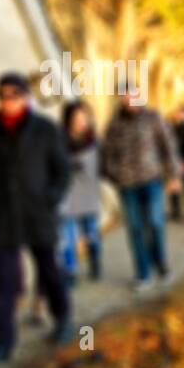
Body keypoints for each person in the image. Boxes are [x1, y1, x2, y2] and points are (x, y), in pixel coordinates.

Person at [0, 72, 73, 363]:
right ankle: (2, 342)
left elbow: (63, 170)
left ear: (26, 97)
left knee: (48, 270)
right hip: (3, 216)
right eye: (3, 96)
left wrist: (50, 199)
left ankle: (63, 317)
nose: (9, 102)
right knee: (3, 280)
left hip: (37, 214)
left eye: (14, 96)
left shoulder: (45, 129)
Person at [100, 93, 182, 291]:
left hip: (152, 180)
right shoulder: (115, 124)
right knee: (135, 228)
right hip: (127, 185)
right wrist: (114, 173)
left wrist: (173, 175)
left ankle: (161, 266)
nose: (130, 101)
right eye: (126, 97)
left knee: (155, 223)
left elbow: (168, 146)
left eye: (134, 96)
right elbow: (107, 152)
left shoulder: (152, 118)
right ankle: (142, 273)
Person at [58, 101, 103, 284]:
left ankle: (95, 258)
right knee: (67, 237)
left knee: (91, 232)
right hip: (67, 193)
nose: (81, 122)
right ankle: (70, 271)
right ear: (68, 119)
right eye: (77, 118)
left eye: (84, 118)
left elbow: (102, 165)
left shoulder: (94, 140)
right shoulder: (59, 140)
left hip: (89, 193)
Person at [167, 108, 184, 221]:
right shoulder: (173, 127)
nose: (179, 116)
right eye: (178, 114)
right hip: (174, 161)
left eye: (181, 114)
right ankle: (175, 211)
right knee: (173, 187)